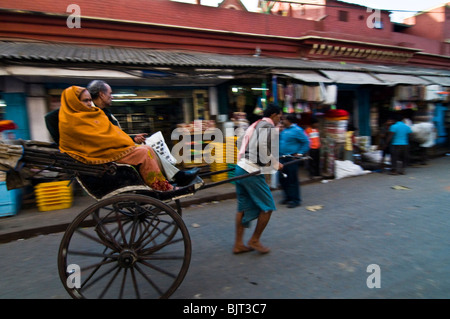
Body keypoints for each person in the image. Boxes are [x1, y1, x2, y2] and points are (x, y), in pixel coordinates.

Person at [57, 86, 197, 191]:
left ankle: (169, 178)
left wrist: (127, 140)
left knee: (147, 148)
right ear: (74, 102)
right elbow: (99, 140)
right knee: (144, 153)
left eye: (89, 100)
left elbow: (110, 134)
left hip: (109, 149)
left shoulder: (91, 114)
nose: (89, 104)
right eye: (85, 101)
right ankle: (162, 187)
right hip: (100, 156)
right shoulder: (72, 121)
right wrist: (126, 142)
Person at [233, 105, 283, 254]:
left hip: (240, 167)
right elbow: (262, 146)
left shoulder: (255, 124)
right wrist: (275, 163)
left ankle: (238, 244)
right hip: (251, 170)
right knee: (268, 207)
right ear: (274, 115)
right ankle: (254, 240)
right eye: (280, 116)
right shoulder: (267, 125)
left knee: (242, 208)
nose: (281, 119)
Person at [279, 113, 310, 208]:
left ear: (289, 121)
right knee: (282, 179)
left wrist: (300, 153)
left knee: (292, 179)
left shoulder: (297, 130)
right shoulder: (284, 130)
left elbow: (306, 142)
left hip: (291, 158)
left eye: (284, 119)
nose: (282, 121)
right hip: (282, 157)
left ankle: (295, 200)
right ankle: (288, 197)